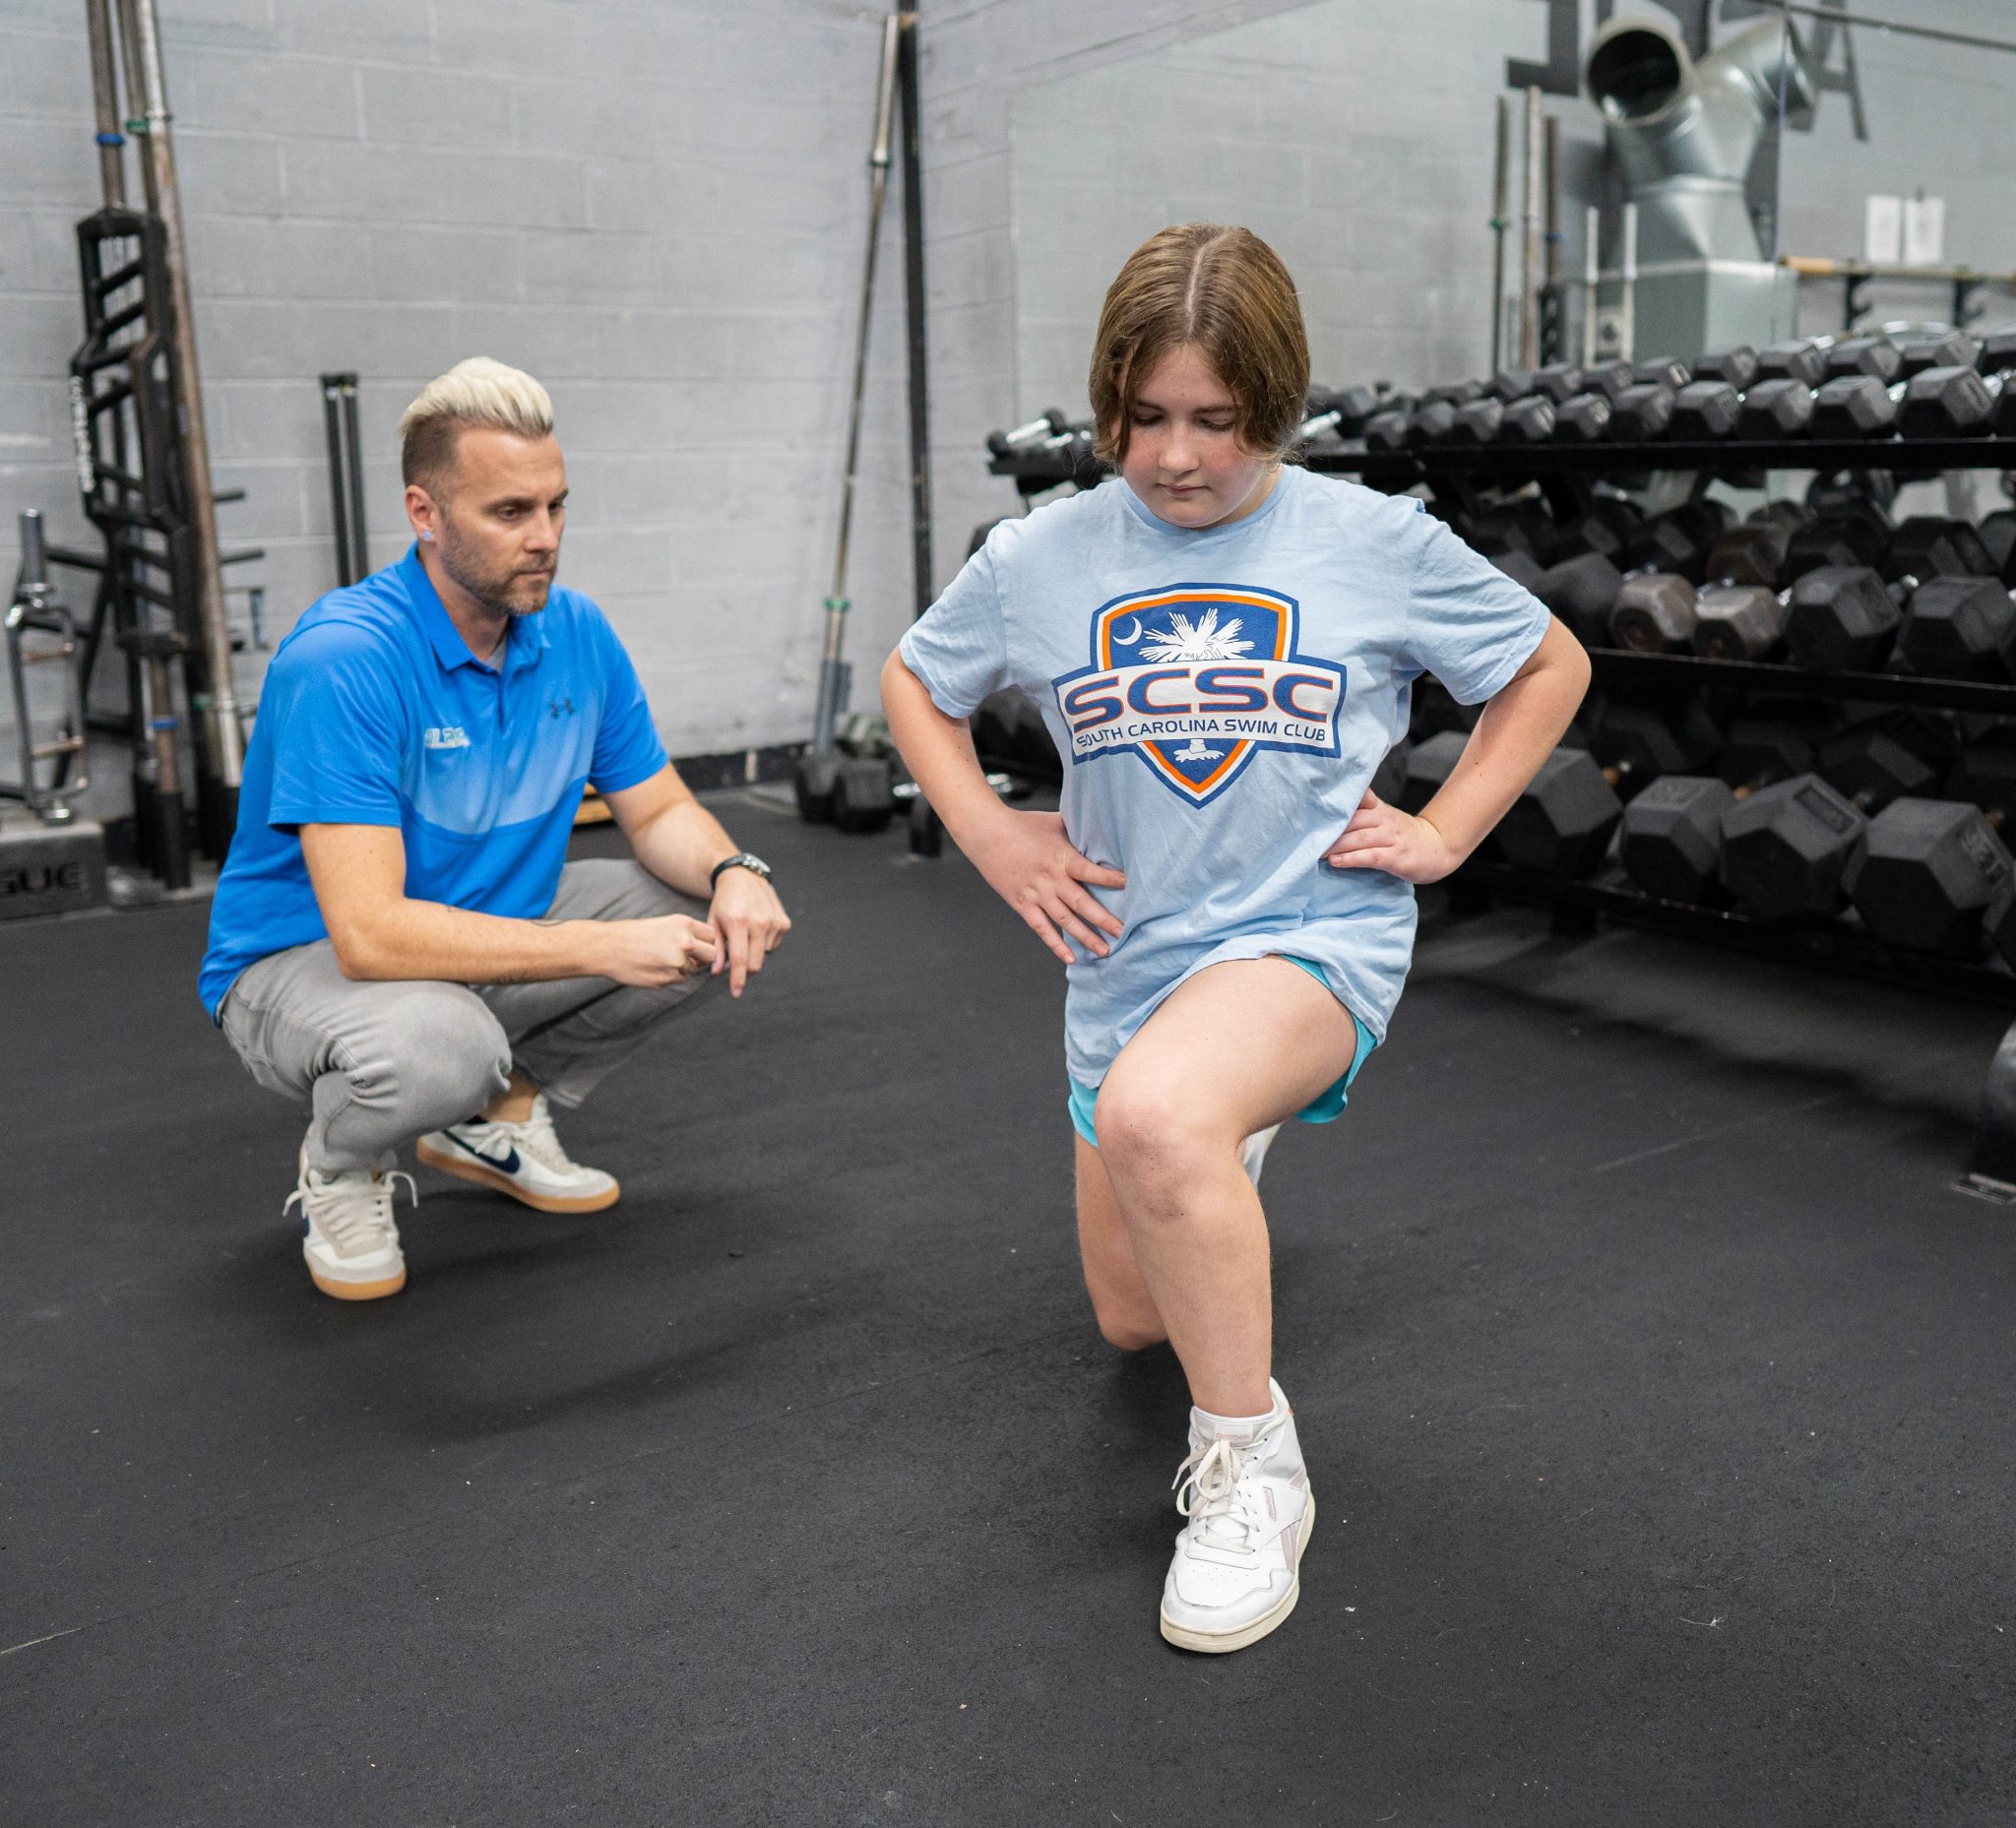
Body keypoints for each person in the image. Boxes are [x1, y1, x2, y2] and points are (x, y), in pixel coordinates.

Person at [883, 225, 1588, 1653]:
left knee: (1154, 1120)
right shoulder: (1042, 556)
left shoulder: (1372, 541)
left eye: (1217, 419)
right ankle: (1207, 1136)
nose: (1177, 455)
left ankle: (1249, 1470)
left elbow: (1548, 664)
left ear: (1274, 404)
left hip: (1307, 930)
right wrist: (994, 827)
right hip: (1130, 958)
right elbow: (916, 680)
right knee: (1134, 1319)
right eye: (1146, 416)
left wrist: (1447, 832)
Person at [200, 358, 791, 1302]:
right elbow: (370, 933)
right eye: (511, 513)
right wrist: (601, 945)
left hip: (476, 928)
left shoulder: (578, 633)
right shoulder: (344, 658)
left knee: (701, 909)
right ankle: (340, 1167)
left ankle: (495, 1118)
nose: (546, 539)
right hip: (300, 962)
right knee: (441, 1045)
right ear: (424, 515)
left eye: (557, 507)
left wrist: (736, 867)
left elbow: (662, 809)